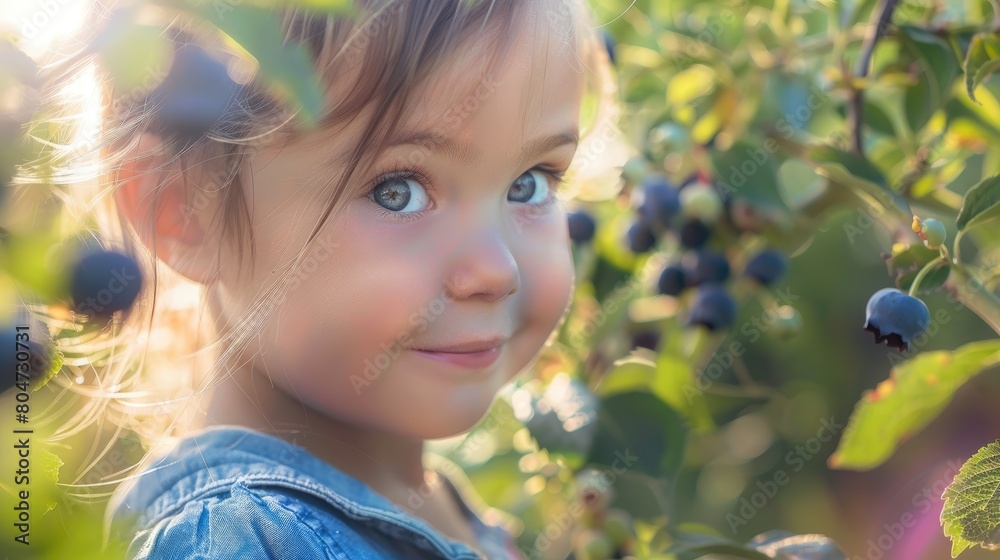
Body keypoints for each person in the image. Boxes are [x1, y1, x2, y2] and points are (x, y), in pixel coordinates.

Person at [34, 0, 619, 557]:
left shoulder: (450, 515)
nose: (497, 270)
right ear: (185, 212)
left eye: (531, 183)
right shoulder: (241, 540)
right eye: (399, 191)